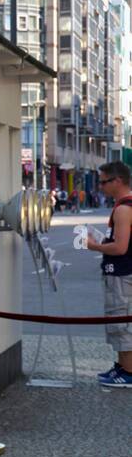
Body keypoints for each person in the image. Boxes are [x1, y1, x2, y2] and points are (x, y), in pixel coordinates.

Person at [87, 161, 132, 388]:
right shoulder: (125, 205)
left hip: (122, 273)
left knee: (121, 321)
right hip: (124, 272)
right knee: (121, 319)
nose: (100, 186)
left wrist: (94, 246)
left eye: (104, 181)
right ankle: (123, 366)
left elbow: (121, 247)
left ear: (118, 181)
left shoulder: (124, 208)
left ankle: (128, 373)